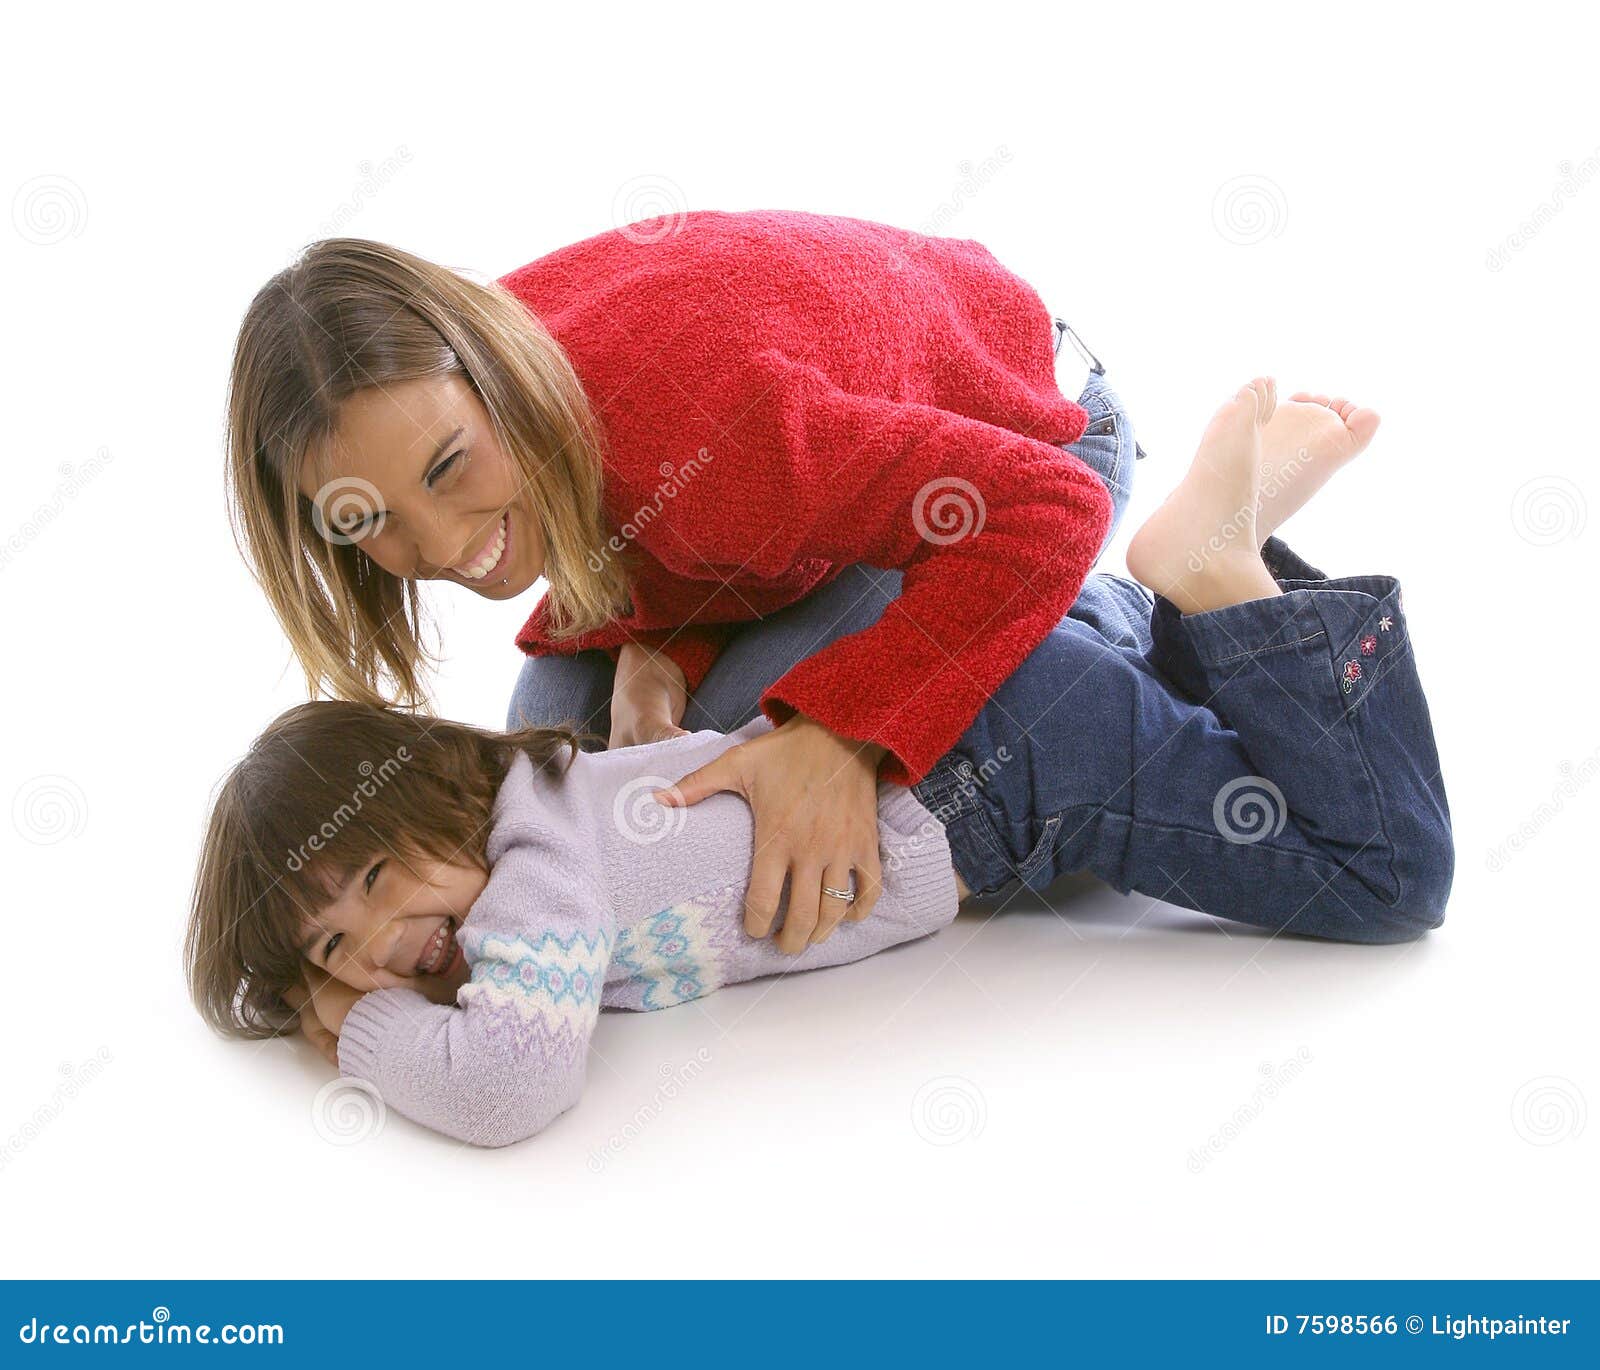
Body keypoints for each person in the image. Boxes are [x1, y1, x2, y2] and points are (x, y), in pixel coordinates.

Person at [188, 377, 1453, 1147]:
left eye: (362, 887)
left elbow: (508, 1087)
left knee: (1383, 872)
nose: (367, 952)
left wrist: (352, 1029)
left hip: (993, 784)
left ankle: (1212, 573)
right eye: (325, 953)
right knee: (1144, 695)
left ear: (423, 798)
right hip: (978, 688)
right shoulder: (544, 775)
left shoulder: (531, 887)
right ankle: (1179, 586)